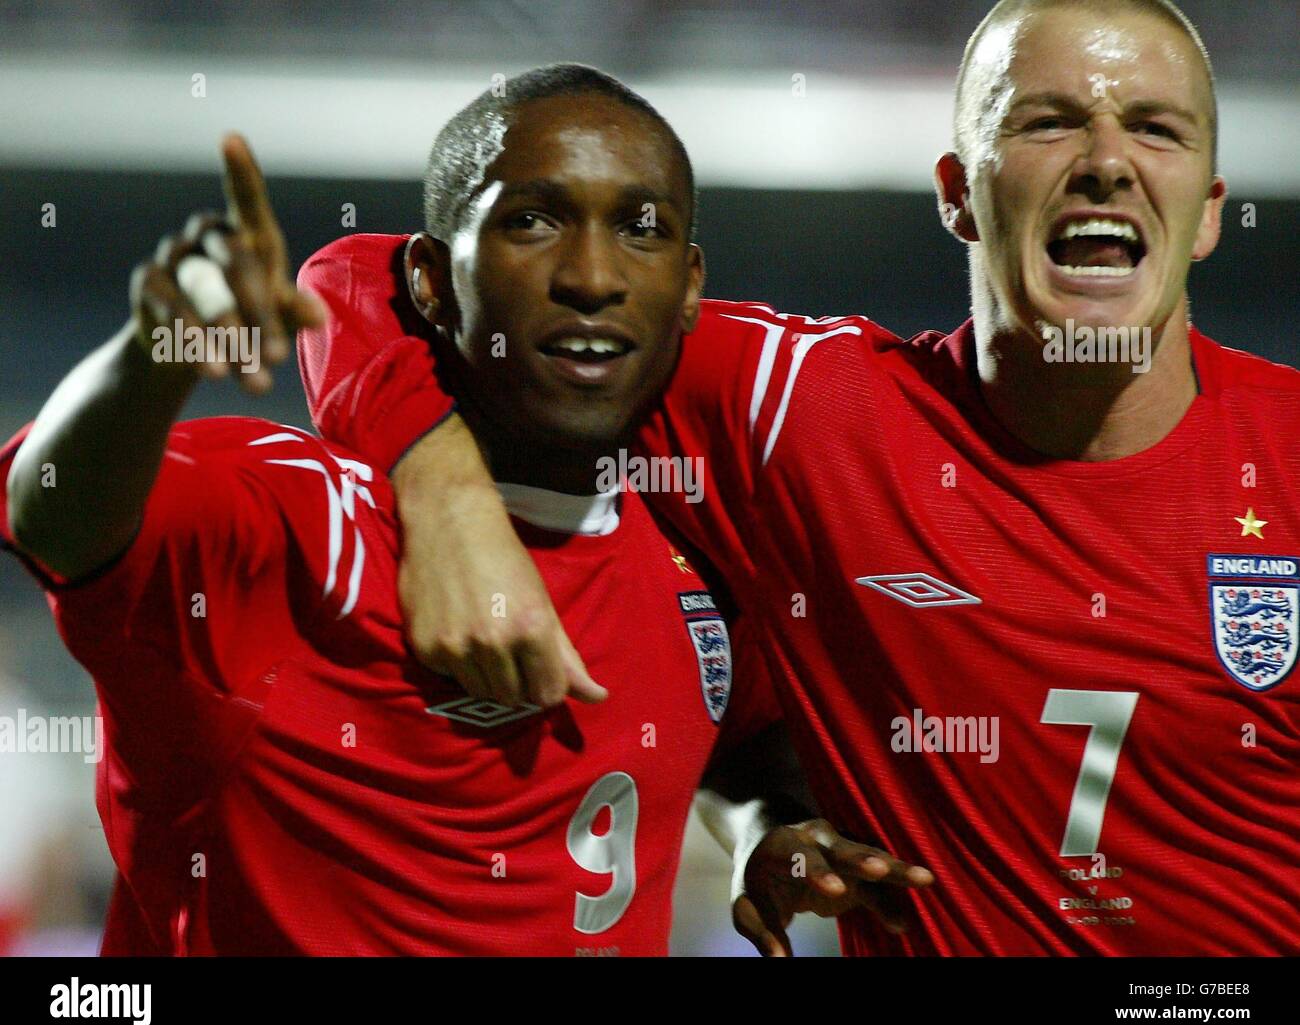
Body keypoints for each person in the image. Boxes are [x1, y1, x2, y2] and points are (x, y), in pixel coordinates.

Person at [299, 1, 1300, 956]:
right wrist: (449, 502)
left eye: (1156, 130)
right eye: (1047, 123)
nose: (1106, 163)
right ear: (956, 193)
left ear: (1207, 214)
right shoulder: (793, 412)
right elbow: (356, 278)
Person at [1, 70, 929, 955]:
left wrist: (768, 824)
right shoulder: (300, 519)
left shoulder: (695, 557)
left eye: (639, 231)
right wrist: (149, 354)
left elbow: (742, 728)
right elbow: (48, 507)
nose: (592, 275)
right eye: (532, 221)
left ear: (689, 286)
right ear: (432, 283)